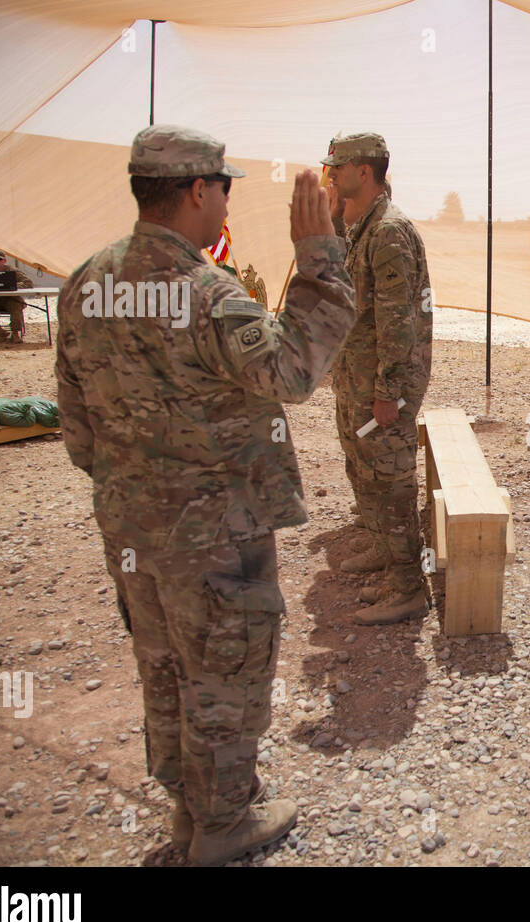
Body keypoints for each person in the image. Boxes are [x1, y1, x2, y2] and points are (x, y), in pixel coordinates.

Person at [55, 124, 356, 865]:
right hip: (217, 532)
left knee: (163, 664)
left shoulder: (87, 281)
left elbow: (76, 428)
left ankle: (190, 811)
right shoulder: (205, 291)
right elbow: (293, 372)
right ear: (198, 190)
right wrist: (320, 260)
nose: (225, 204)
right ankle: (223, 824)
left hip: (131, 529)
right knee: (226, 668)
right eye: (223, 188)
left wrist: (134, 486)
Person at [324, 132, 434, 626]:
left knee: (390, 481)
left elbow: (398, 322)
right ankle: (387, 555)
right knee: (365, 471)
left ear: (363, 171)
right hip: (360, 379)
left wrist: (388, 392)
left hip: (381, 387)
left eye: (337, 167)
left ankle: (408, 587)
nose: (330, 174)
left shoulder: (388, 231)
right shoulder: (363, 227)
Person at [0, 251, 33, 341]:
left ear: (4, 260)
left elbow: (28, 283)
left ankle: (15, 333)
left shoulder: (13, 271)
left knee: (16, 306)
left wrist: (16, 285)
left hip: (10, 299)